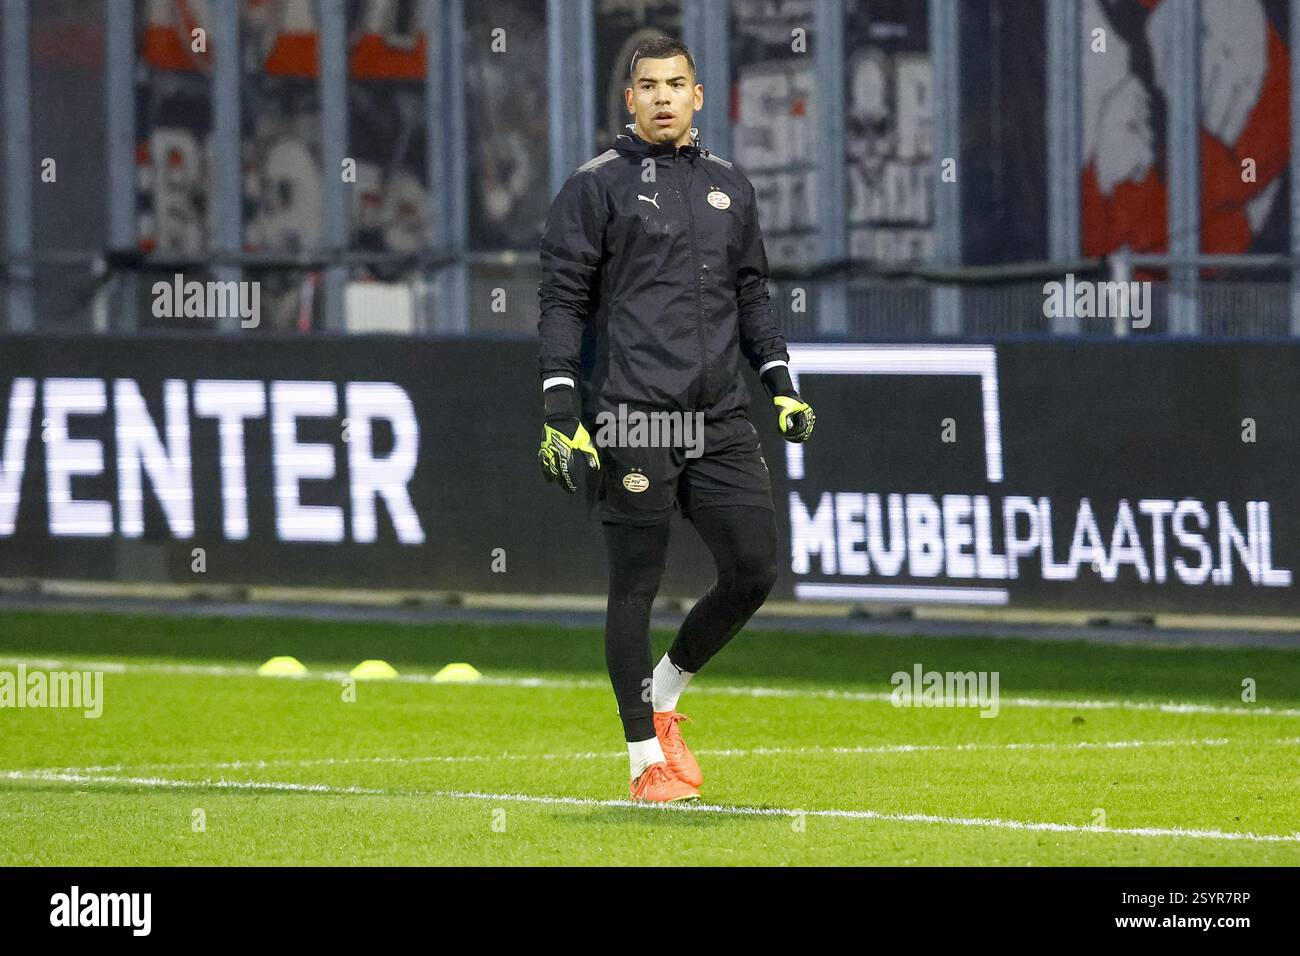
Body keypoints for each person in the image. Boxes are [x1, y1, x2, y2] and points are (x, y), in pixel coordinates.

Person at [536, 35, 815, 803]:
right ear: (629, 99)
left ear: (698, 96)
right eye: (649, 85)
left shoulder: (730, 185)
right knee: (637, 584)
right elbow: (561, 301)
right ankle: (643, 762)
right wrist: (560, 407)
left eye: (676, 84)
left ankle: (664, 694)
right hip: (635, 414)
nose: (663, 97)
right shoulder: (596, 186)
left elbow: (751, 295)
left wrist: (781, 383)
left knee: (754, 568)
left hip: (719, 415)